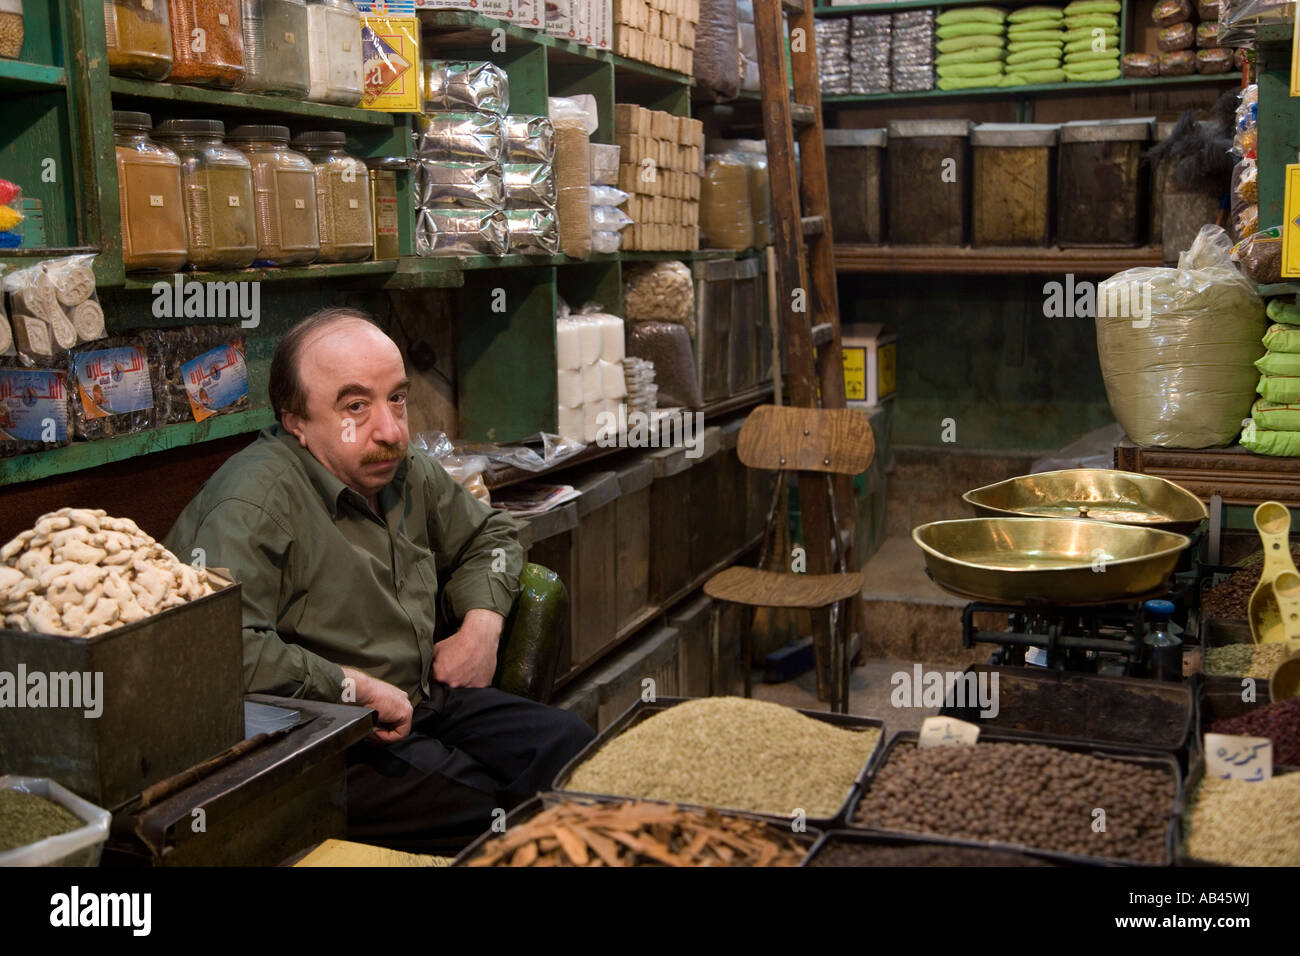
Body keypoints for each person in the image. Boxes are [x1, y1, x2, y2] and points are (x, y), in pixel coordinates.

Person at [166, 307, 594, 854]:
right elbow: (217, 650)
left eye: (396, 397)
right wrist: (353, 687)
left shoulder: (401, 468)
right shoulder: (253, 502)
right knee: (505, 815)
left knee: (572, 748)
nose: (390, 430)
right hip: (327, 740)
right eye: (355, 406)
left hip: (422, 696)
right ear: (295, 419)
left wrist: (481, 628)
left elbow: (492, 537)